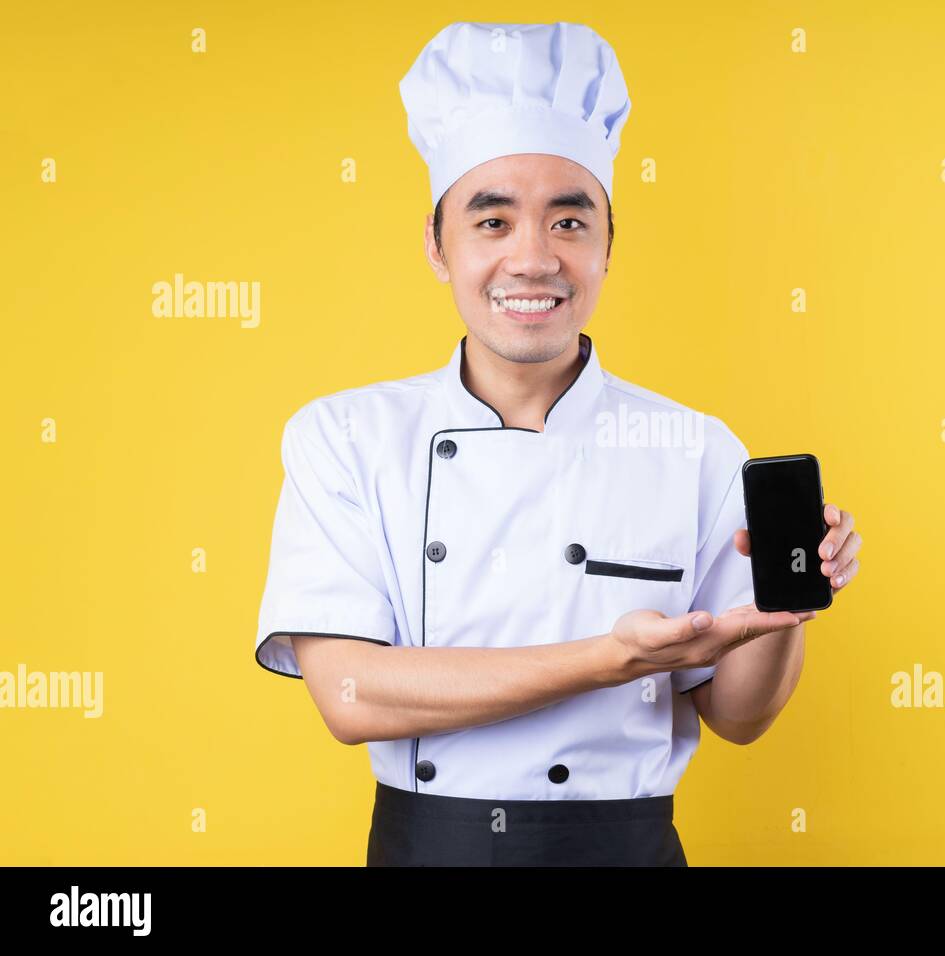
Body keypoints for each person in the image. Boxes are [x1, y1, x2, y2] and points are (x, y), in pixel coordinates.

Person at [254, 20, 861, 866]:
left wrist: (781, 615)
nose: (533, 259)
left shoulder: (696, 449)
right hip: (434, 849)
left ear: (609, 245)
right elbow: (351, 699)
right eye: (493, 222)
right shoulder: (346, 437)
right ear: (438, 246)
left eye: (569, 223)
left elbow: (740, 719)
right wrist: (610, 658)